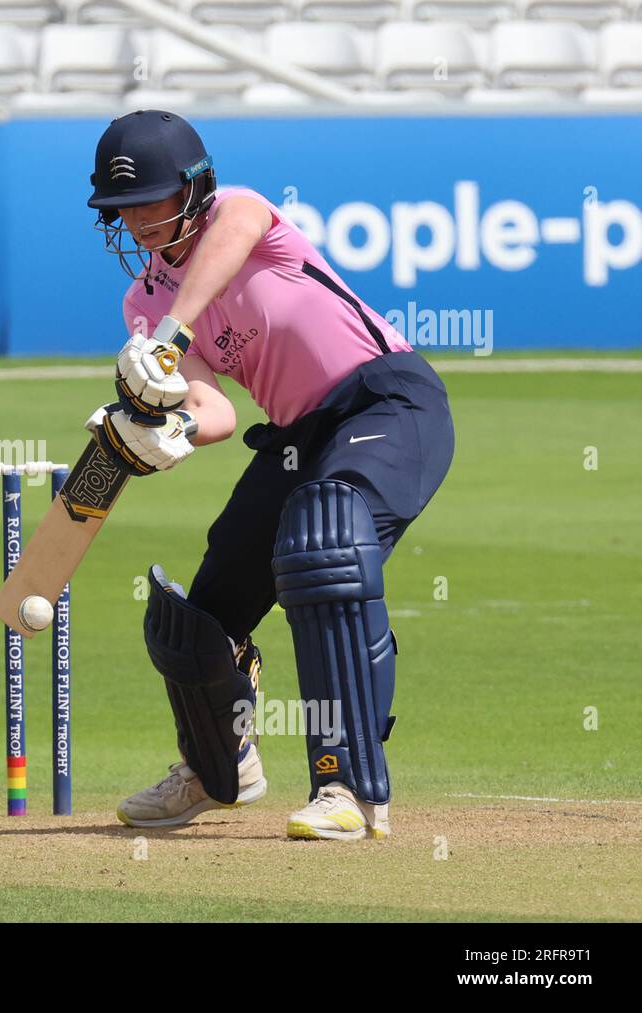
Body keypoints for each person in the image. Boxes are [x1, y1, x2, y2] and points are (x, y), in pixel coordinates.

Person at [84, 110, 454, 840]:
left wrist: (171, 334)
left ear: (195, 189)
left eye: (151, 200)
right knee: (197, 622)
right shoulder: (144, 305)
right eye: (122, 209)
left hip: (388, 400)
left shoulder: (244, 216)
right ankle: (219, 765)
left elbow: (239, 228)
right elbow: (213, 411)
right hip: (297, 436)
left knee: (324, 544)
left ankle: (346, 785)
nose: (136, 222)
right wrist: (164, 433)